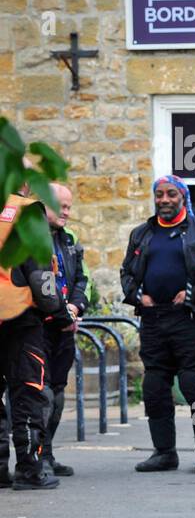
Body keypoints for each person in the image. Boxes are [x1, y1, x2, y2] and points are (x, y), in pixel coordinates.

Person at [121, 175, 195, 474]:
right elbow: (127, 273)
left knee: (192, 385)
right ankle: (164, 452)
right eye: (159, 194)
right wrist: (136, 296)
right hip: (153, 320)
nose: (164, 200)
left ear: (182, 196)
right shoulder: (142, 234)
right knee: (154, 387)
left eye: (171, 194)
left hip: (190, 320)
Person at [0, 188, 69, 490]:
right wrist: (60, 314)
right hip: (19, 319)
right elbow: (41, 276)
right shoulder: (27, 210)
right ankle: (30, 471)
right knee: (28, 393)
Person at [40, 183, 88, 477]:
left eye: (70, 206)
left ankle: (48, 453)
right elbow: (42, 284)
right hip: (39, 328)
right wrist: (61, 311)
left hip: (65, 327)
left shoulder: (70, 239)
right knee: (40, 395)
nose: (67, 212)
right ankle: (35, 458)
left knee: (57, 393)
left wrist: (76, 307)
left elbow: (84, 279)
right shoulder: (31, 239)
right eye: (62, 206)